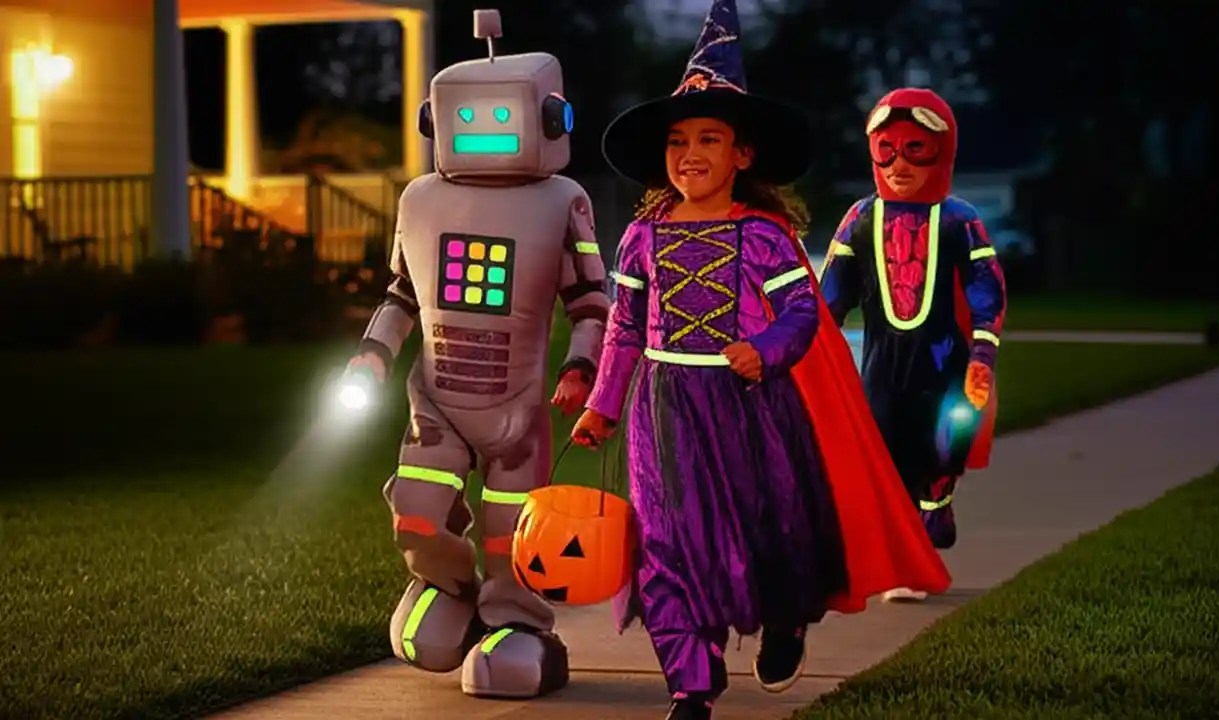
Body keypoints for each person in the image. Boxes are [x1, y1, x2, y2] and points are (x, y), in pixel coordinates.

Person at [570, 3, 951, 718]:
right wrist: (602, 407)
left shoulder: (764, 237)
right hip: (665, 411)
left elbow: (804, 312)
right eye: (677, 141)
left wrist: (766, 351)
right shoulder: (642, 238)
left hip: (751, 409)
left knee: (766, 532)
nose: (690, 154)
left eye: (708, 139)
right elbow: (624, 328)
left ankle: (785, 619)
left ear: (741, 156)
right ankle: (691, 686)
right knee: (665, 545)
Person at [345, 10, 609, 698]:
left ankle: (518, 623)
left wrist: (582, 365)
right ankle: (449, 586)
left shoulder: (563, 202)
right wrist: (373, 355)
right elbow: (402, 293)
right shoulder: (420, 200)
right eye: (466, 118)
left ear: (551, 119)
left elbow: (591, 301)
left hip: (518, 411)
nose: (483, 131)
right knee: (415, 513)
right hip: (435, 402)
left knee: (508, 532)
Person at [819, 88, 1008, 602]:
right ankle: (905, 561)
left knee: (948, 441)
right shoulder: (860, 219)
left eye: (915, 149)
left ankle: (939, 497)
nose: (899, 164)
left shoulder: (959, 219)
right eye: (887, 150)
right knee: (886, 453)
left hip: (945, 362)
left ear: (942, 151)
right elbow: (831, 293)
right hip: (883, 365)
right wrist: (812, 348)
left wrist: (983, 354)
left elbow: (987, 290)